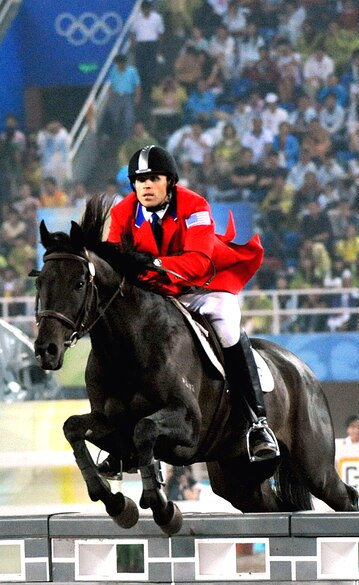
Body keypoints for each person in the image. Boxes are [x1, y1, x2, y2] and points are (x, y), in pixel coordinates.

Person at [99, 145, 280, 476]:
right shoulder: (123, 212)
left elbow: (199, 261)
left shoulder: (195, 206)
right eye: (138, 181)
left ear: (169, 181)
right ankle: (122, 440)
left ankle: (258, 423)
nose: (145, 187)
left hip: (205, 287)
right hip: (158, 294)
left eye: (153, 179)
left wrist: (153, 263)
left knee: (226, 326)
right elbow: (113, 261)